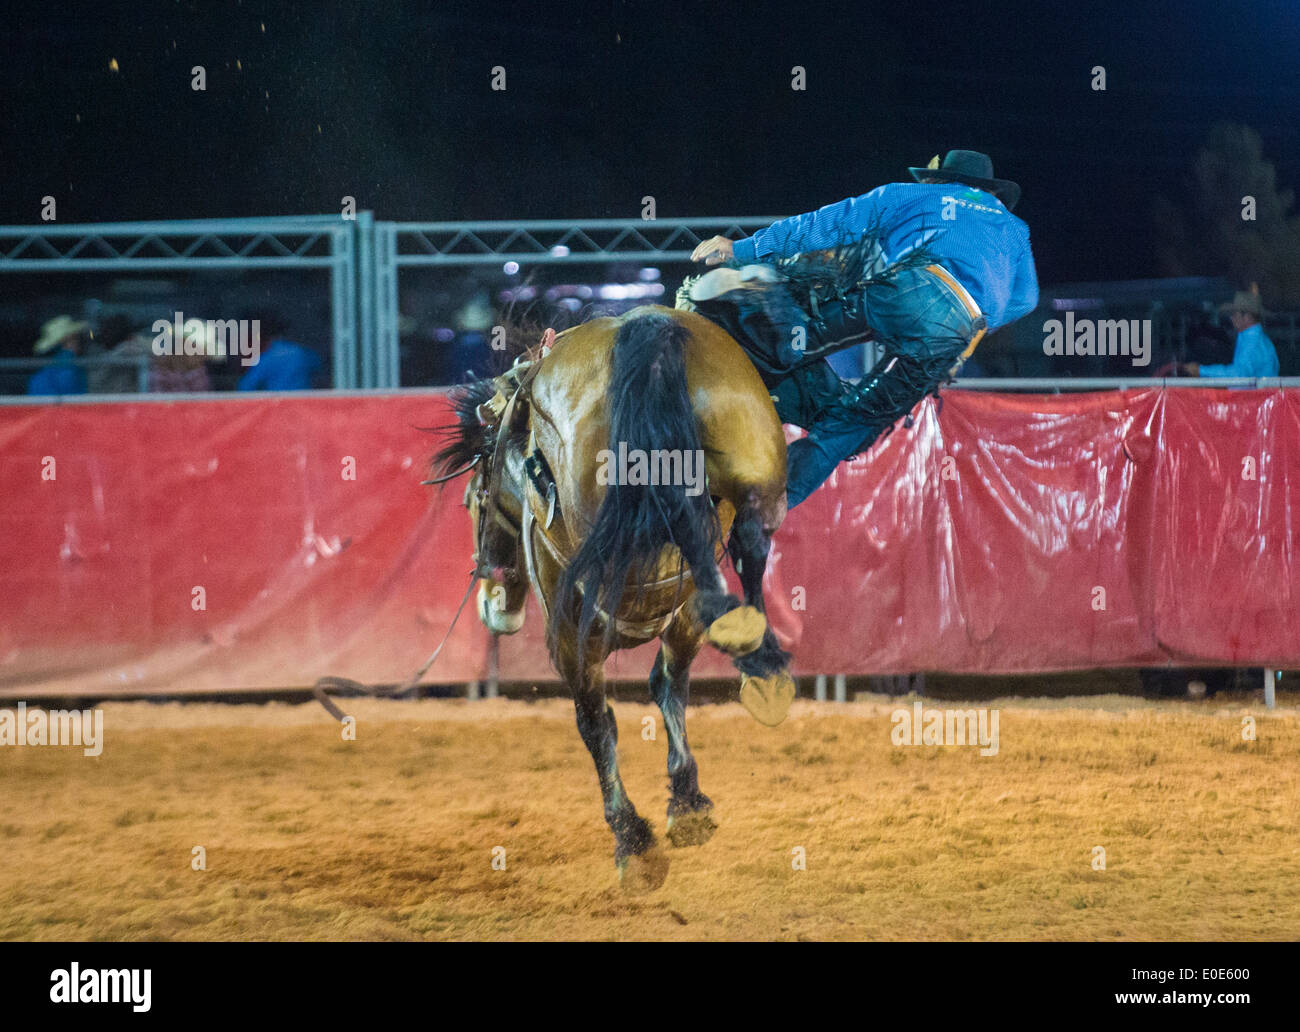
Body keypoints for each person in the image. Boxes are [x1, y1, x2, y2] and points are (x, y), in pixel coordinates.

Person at [682, 150, 1038, 507]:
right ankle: (766, 506)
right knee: (852, 425)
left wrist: (744, 249)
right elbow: (1025, 300)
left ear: (939, 179)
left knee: (796, 340)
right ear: (989, 190)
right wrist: (968, 318)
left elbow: (832, 222)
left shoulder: (913, 194)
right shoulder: (1015, 228)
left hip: (907, 291)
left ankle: (768, 350)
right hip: (954, 331)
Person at [1180, 288, 1278, 380]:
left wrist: (1201, 371)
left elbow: (1238, 374)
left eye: (1235, 314)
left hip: (1255, 396)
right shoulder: (1256, 339)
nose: (1232, 318)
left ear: (1247, 317)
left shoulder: (1252, 342)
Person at [236, 311, 321, 390]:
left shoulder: (266, 359)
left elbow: (244, 389)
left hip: (280, 404)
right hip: (305, 402)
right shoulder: (301, 351)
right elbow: (319, 369)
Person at [27, 316, 89, 396]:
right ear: (67, 342)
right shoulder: (70, 368)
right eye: (75, 338)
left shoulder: (39, 375)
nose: (79, 342)